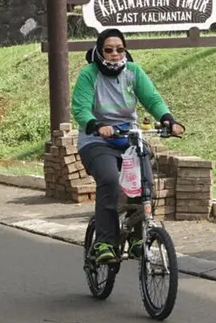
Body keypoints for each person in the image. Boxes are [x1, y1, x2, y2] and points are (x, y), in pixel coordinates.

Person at [71, 28, 183, 265]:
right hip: (96, 141)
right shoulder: (89, 75)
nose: (114, 54)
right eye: (108, 50)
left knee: (144, 184)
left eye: (119, 49)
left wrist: (168, 119)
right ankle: (103, 242)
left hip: (129, 141)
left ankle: (136, 238)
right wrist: (95, 124)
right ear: (99, 52)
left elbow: (152, 98)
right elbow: (80, 107)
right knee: (110, 180)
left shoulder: (133, 72)